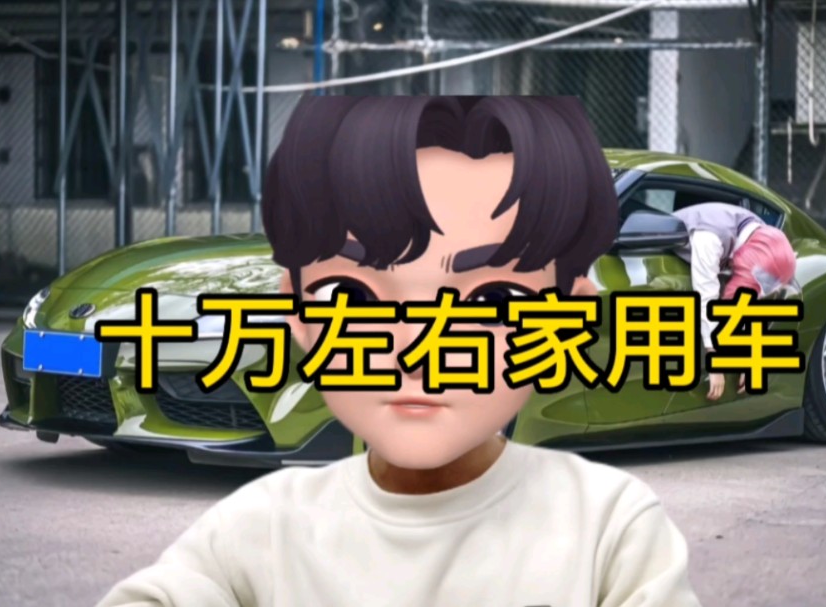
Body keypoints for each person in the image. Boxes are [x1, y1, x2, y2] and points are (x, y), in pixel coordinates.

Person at [96, 96, 702, 607]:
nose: (415, 346)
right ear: (296, 307)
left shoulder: (610, 527)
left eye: (492, 300)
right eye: (352, 295)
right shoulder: (261, 523)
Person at [672, 202, 799, 401]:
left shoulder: (759, 236)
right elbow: (707, 300)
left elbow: (747, 304)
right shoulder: (710, 239)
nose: (768, 294)